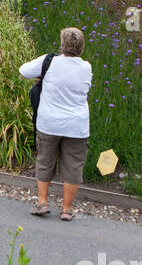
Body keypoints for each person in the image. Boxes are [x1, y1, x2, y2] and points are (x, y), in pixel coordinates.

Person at [20, 27, 92, 221]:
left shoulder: (49, 61)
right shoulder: (87, 67)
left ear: (62, 45)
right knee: (73, 166)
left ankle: (43, 202)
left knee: (45, 161)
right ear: (81, 47)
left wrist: (43, 77)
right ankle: (66, 209)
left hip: (49, 123)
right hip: (77, 126)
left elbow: (24, 70)